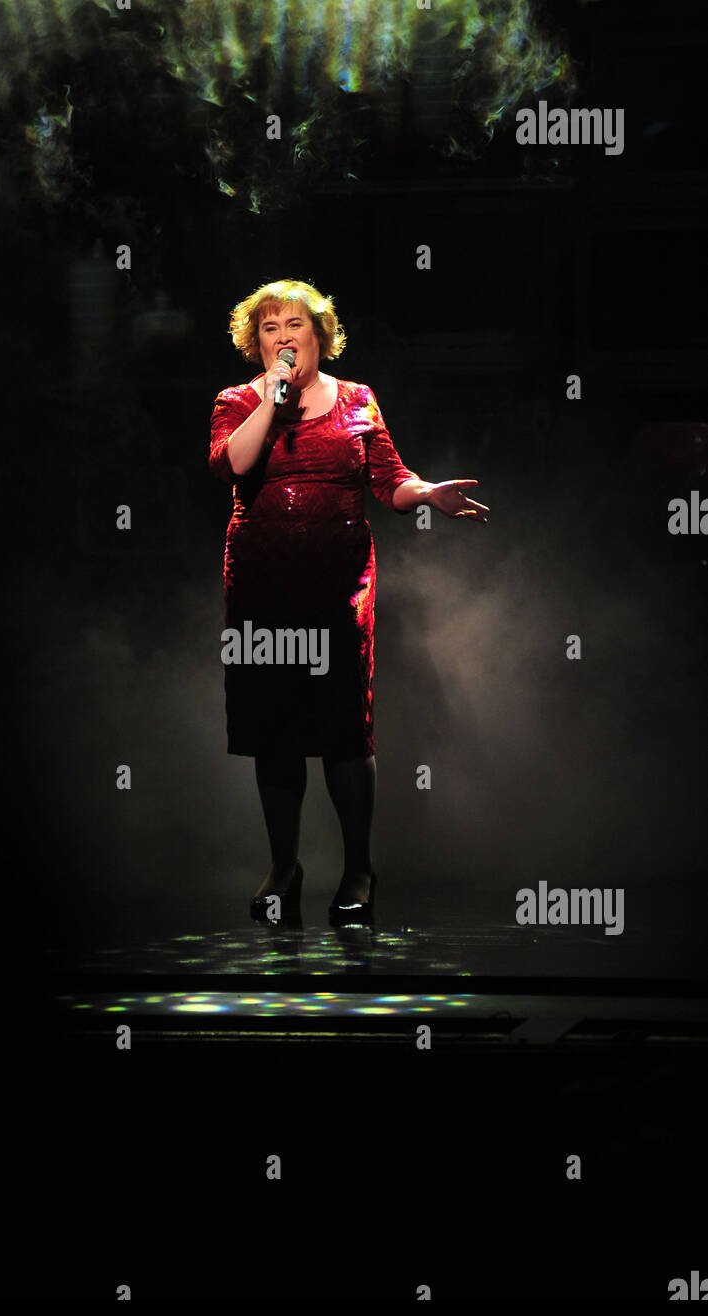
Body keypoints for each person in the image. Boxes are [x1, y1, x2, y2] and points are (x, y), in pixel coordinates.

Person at [209, 279, 488, 925]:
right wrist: (271, 402)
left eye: (294, 326)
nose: (283, 337)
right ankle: (284, 868)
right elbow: (235, 466)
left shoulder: (357, 398)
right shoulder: (235, 401)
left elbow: (389, 481)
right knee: (271, 731)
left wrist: (425, 495)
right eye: (269, 328)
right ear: (256, 342)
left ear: (320, 335)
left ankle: (357, 868)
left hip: (337, 590)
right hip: (259, 588)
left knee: (340, 730)